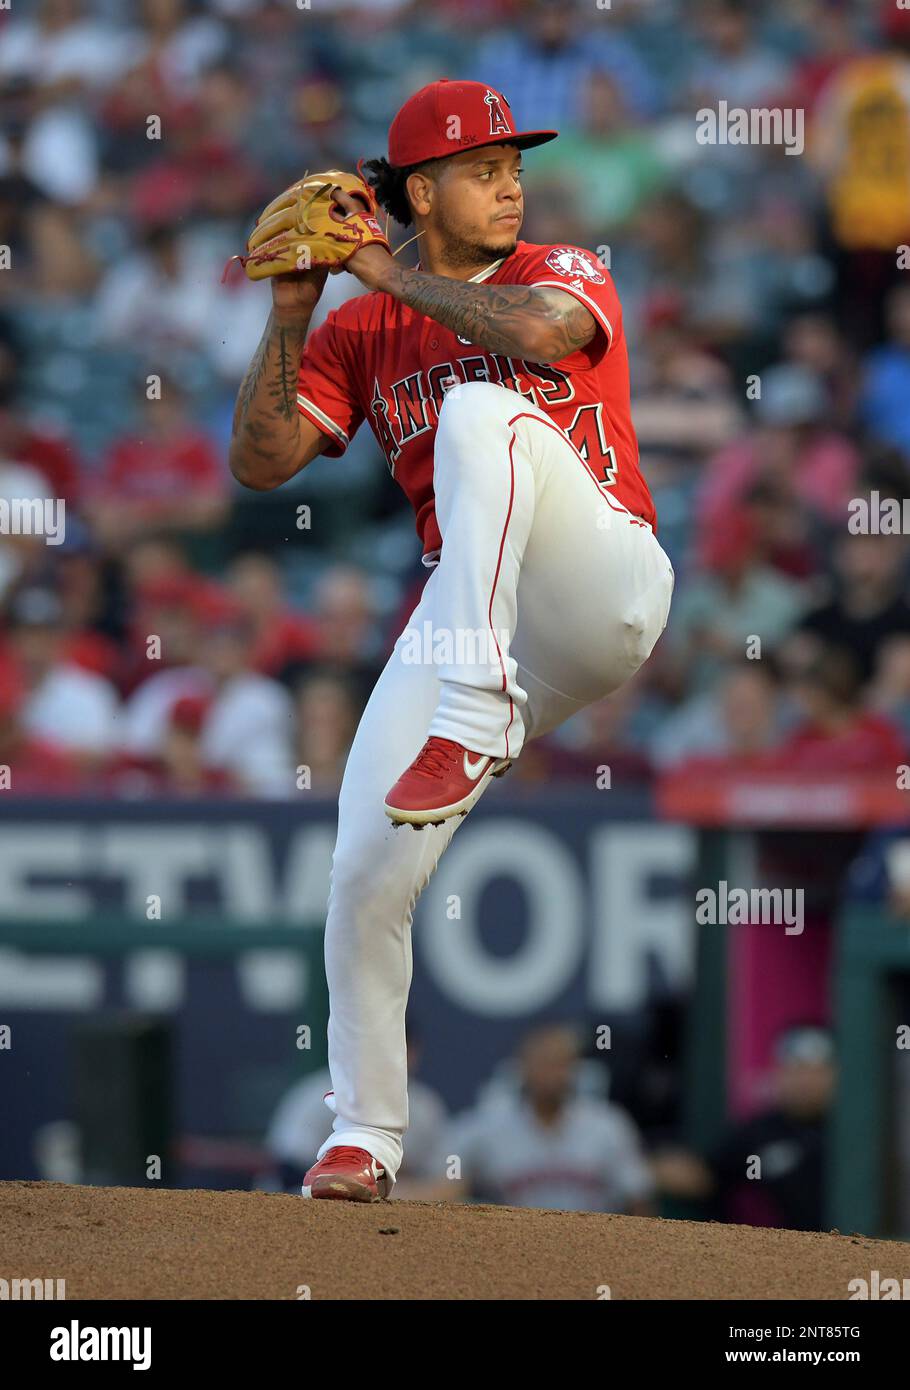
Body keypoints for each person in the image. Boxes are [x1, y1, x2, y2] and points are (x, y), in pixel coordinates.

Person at [229, 78, 674, 1202]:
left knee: (482, 412)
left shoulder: (558, 269)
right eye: (485, 168)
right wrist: (291, 312)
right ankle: (366, 1134)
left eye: (515, 165)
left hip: (599, 580)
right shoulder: (359, 325)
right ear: (421, 188)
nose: (511, 183)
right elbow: (262, 461)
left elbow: (537, 337)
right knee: (365, 863)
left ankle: (476, 714)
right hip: (471, 613)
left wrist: (385, 269)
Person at [434, 1024, 655, 1214]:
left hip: (593, 1249)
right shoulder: (487, 1128)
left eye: (561, 1064)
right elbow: (446, 1182)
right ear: (523, 1068)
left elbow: (638, 1196)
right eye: (543, 1063)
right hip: (513, 1248)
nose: (552, 1074)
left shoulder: (608, 1126)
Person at [652, 1024, 836, 1231]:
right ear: (778, 1072)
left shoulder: (855, 1131)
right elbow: (704, 1175)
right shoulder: (759, 1132)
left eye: (818, 1071)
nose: (806, 1081)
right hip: (783, 1252)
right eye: (797, 1069)